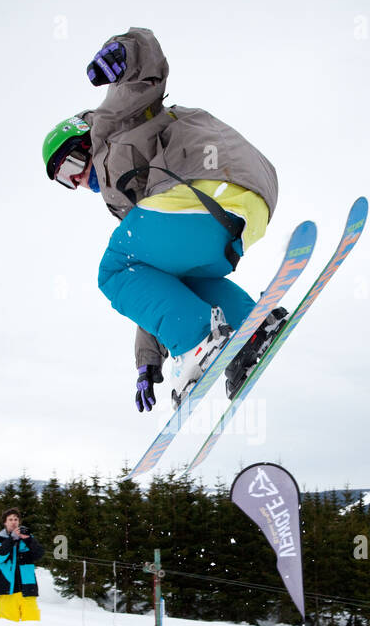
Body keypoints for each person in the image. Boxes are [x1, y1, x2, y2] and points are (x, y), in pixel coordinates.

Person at [41, 27, 287, 411]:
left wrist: (121, 53)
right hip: (246, 205)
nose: (75, 181)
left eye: (71, 164)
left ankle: (196, 340)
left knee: (111, 272)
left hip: (208, 185)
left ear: (84, 138)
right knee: (163, 276)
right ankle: (251, 329)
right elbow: (150, 285)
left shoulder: (112, 125)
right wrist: (147, 359)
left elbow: (143, 71)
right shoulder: (130, 202)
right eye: (63, 181)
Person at [0, 508, 44, 622]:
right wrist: (12, 539)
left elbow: (39, 554)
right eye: (10, 519)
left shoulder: (27, 539)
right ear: (5, 523)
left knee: (32, 624)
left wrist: (28, 540)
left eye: (16, 519)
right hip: (6, 589)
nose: (13, 522)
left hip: (27, 588)